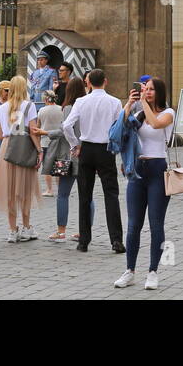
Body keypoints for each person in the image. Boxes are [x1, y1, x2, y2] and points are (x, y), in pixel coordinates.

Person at [114, 76, 175, 291]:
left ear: (159, 92)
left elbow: (157, 125)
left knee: (156, 223)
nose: (147, 93)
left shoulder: (168, 113)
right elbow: (119, 129)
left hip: (158, 169)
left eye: (150, 89)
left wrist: (146, 105)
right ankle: (130, 270)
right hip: (137, 171)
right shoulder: (139, 113)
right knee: (133, 225)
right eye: (145, 89)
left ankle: (153, 271)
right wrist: (129, 105)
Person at [62, 68, 124, 253]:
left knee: (84, 195)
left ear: (88, 82)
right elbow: (118, 127)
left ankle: (84, 241)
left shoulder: (81, 101)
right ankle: (116, 240)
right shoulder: (114, 102)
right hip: (105, 149)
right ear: (105, 81)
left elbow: (66, 125)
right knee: (111, 194)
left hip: (86, 148)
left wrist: (75, 145)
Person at [36, 74, 88, 242]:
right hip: (86, 154)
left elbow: (64, 131)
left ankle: (61, 231)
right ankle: (84, 231)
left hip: (65, 154)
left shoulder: (67, 108)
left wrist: (45, 133)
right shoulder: (88, 106)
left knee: (63, 195)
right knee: (87, 196)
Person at [0, 75, 40, 243]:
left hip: (7, 147)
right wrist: (39, 150)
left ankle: (12, 230)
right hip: (24, 146)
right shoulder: (30, 106)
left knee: (10, 191)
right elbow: (34, 131)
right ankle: (26, 227)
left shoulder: (3, 107)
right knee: (25, 189)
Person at [36, 90, 63, 197]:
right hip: (59, 141)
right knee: (59, 166)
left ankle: (49, 190)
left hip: (45, 141)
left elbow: (38, 126)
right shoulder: (61, 109)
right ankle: (60, 189)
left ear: (45, 99)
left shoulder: (42, 110)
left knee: (47, 167)